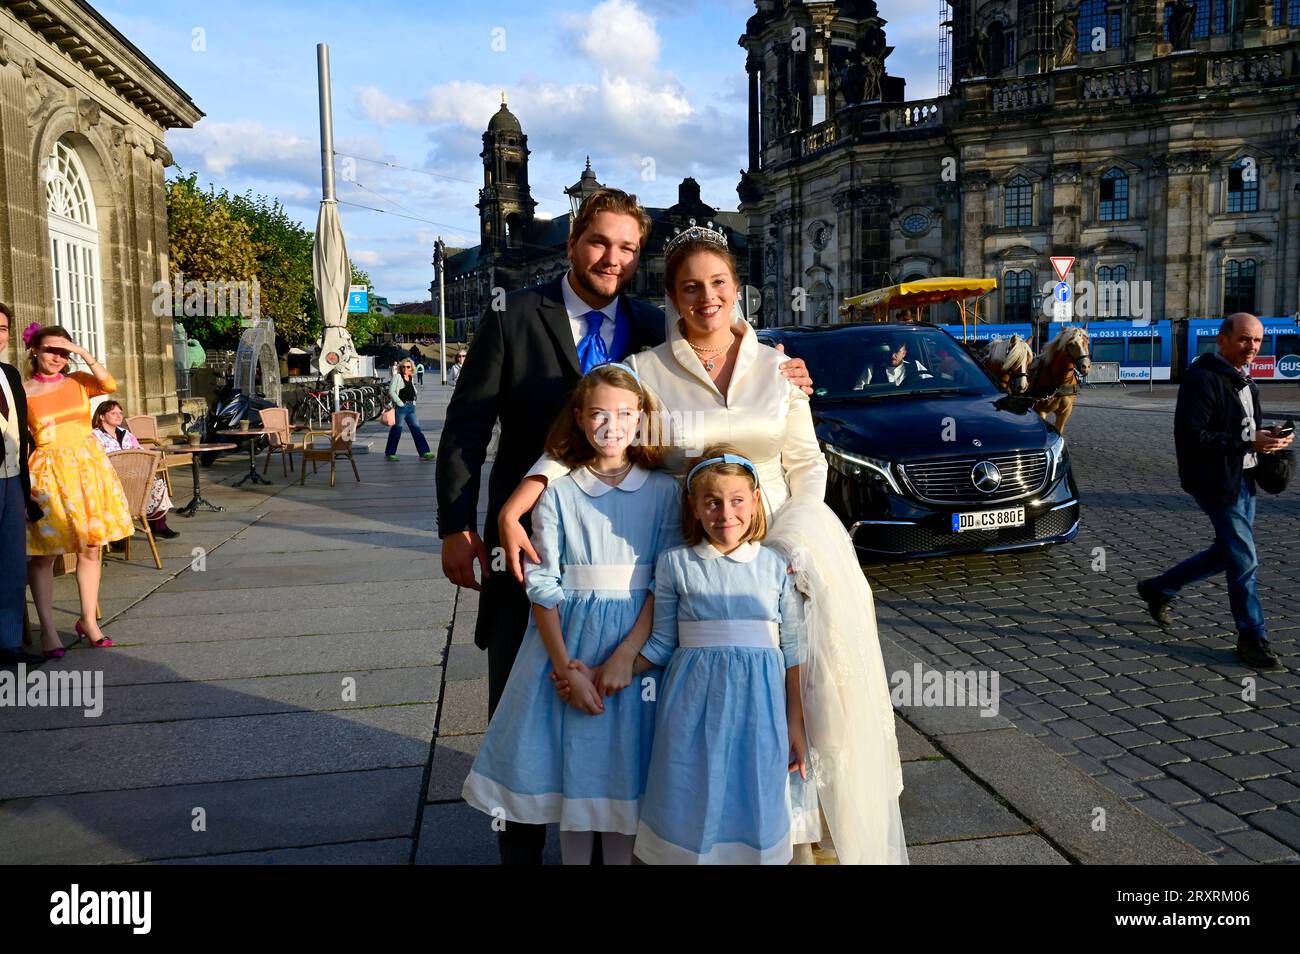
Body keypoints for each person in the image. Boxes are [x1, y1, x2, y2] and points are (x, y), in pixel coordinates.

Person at [500, 226, 906, 864]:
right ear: (671, 296)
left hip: (786, 547)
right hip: (694, 553)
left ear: (736, 288)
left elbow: (806, 464)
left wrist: (789, 540)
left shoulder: (777, 366)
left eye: (718, 283)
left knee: (808, 689)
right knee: (705, 709)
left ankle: (797, 838)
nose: (706, 297)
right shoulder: (647, 371)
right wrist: (522, 498)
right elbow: (593, 430)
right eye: (690, 287)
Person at [436, 188, 810, 865]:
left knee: (632, 723)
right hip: (533, 545)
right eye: (600, 242)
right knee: (526, 707)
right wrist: (459, 524)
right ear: (575, 240)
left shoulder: (649, 326)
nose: (613, 258)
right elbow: (465, 428)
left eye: (628, 248)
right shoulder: (515, 316)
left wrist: (779, 367)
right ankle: (520, 851)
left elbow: (713, 355)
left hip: (636, 549)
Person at [461, 363, 680, 864]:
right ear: (579, 419)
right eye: (599, 413)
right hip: (570, 643)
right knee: (575, 775)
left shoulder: (665, 492)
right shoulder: (559, 491)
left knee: (627, 774)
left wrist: (629, 655)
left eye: (626, 413)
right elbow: (542, 583)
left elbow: (665, 583)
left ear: (642, 418)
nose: (612, 424)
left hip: (636, 646)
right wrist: (563, 668)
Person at [630, 447, 805, 863]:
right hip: (691, 707)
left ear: (755, 500)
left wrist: (795, 722)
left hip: (760, 708)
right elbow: (660, 643)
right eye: (711, 502)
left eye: (736, 500)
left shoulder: (775, 565)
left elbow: (794, 649)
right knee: (692, 783)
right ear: (694, 508)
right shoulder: (676, 564)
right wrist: (612, 671)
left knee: (754, 784)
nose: (725, 513)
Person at [1139, 313, 1294, 669]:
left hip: (1244, 477)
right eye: (1243, 339)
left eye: (1256, 341)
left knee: (1227, 553)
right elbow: (1193, 436)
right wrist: (1248, 440)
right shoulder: (1201, 378)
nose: (1251, 347)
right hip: (1215, 481)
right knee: (1245, 559)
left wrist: (1270, 435)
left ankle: (1160, 588)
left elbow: (1243, 427)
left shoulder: (1245, 379)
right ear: (1222, 339)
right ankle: (1252, 636)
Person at [22, 324, 133, 657]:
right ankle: (49, 631)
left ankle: (89, 621)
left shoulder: (79, 383)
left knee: (90, 549)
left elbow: (109, 384)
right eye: (50, 350)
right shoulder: (22, 390)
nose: (57, 357)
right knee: (44, 555)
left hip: (88, 470)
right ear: (34, 351)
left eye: (63, 352)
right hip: (47, 473)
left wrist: (82, 353)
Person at [0, 305, 45, 665]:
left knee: (13, 564)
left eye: (2, 328)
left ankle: (10, 644)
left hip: (13, 480)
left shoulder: (11, 375)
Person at [91, 400, 179, 540]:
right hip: (109, 478)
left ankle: (159, 526)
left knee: (156, 483)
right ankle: (118, 535)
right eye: (113, 413)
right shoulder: (94, 436)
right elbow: (94, 459)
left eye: (120, 413)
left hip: (132, 474)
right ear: (101, 416)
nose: (119, 416)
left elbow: (139, 451)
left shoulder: (126, 434)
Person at [385, 359, 434, 462]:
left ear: (411, 368)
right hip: (401, 408)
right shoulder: (397, 377)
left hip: (411, 408)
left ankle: (424, 452)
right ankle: (390, 453)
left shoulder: (411, 377)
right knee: (396, 430)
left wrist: (414, 401)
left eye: (408, 367)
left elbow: (413, 391)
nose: (405, 369)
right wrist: (399, 403)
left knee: (416, 430)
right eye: (403, 367)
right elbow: (391, 391)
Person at [855, 338, 928, 389]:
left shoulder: (915, 365)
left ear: (904, 353)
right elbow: (858, 390)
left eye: (897, 351)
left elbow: (930, 382)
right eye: (890, 351)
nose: (892, 355)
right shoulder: (871, 368)